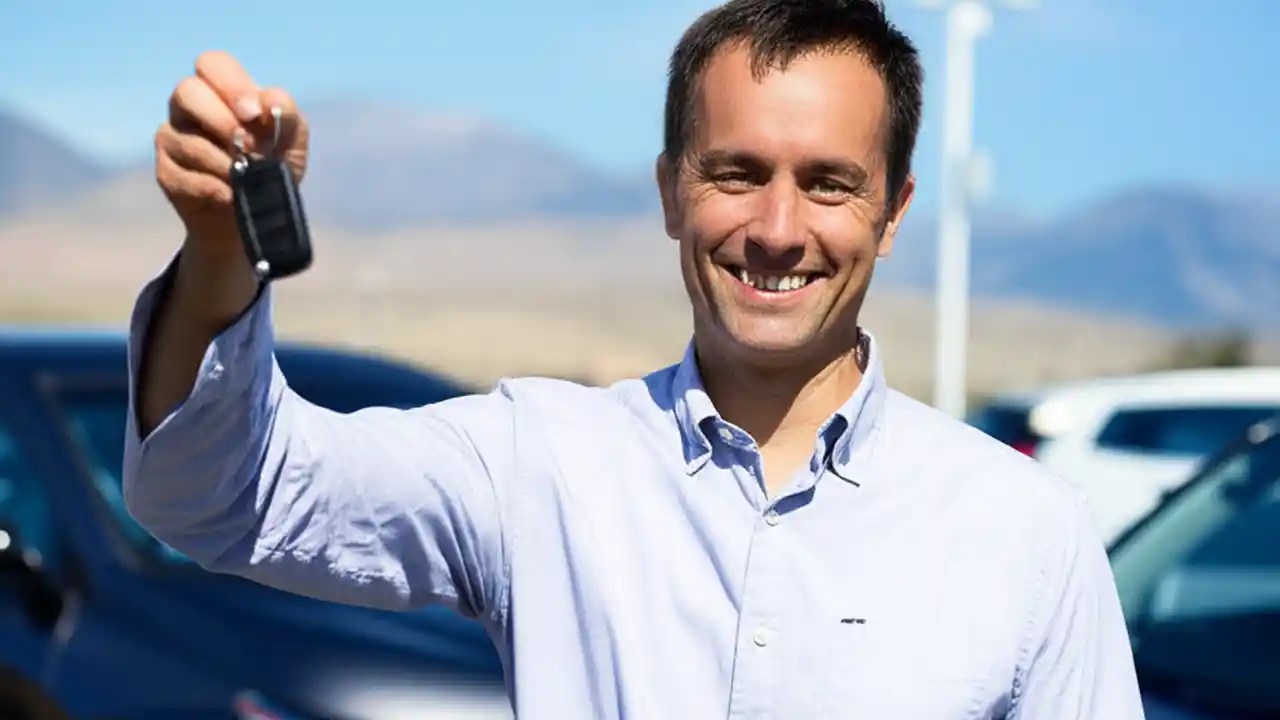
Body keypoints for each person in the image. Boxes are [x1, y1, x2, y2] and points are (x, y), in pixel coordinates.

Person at [123, 0, 1146, 717]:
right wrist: (222, 256)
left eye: (828, 184)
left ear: (891, 214)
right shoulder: (542, 464)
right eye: (735, 173)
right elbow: (217, 497)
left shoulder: (1024, 532)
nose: (778, 229)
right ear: (669, 191)